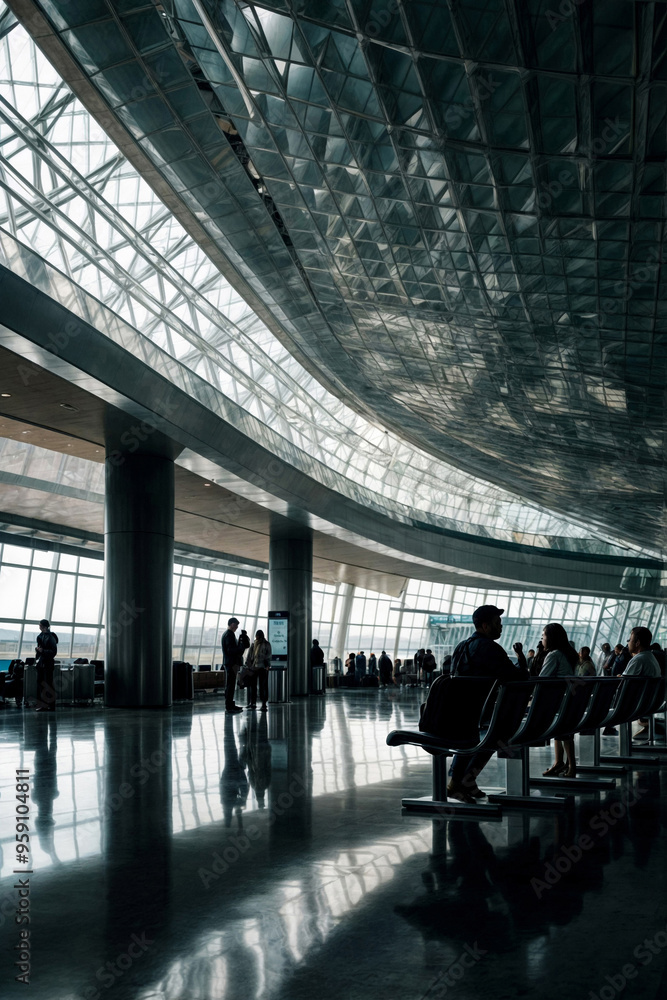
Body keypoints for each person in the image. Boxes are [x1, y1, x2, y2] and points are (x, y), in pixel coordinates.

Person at [447, 605, 528, 802]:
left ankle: (460, 780)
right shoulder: (489, 648)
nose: (501, 627)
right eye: (497, 623)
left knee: (473, 737)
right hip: (481, 713)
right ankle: (464, 780)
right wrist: (521, 659)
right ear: (485, 625)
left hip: (459, 712)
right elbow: (516, 677)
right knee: (497, 737)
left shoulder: (461, 646)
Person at [540, 623, 580, 777]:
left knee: (562, 728)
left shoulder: (554, 655)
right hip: (569, 702)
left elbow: (543, 679)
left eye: (543, 636)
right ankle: (559, 763)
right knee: (563, 728)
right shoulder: (570, 654)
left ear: (550, 638)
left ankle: (570, 766)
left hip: (557, 704)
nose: (542, 639)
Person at [624, 627, 661, 738]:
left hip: (638, 705)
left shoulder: (639, 659)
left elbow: (624, 685)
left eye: (629, 640)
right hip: (652, 702)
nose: (628, 643)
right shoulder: (651, 657)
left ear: (637, 643)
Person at [245, 629, 272, 711]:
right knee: (258, 686)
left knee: (260, 686)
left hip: (261, 667)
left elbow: (268, 656)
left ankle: (260, 703)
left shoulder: (263, 644)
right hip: (257, 668)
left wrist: (267, 665)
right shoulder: (255, 645)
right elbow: (250, 656)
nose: (256, 637)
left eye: (257, 636)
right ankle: (257, 703)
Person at [221, 617, 243, 714]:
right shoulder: (229, 635)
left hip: (229, 662)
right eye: (235, 624)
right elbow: (230, 650)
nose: (237, 627)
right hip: (231, 663)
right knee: (230, 684)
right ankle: (229, 706)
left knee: (230, 684)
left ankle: (230, 704)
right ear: (231, 624)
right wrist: (240, 648)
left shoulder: (228, 634)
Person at [35, 619, 58, 712]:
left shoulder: (50, 637)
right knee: (41, 683)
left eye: (40, 625)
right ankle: (44, 705)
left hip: (47, 663)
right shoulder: (41, 636)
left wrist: (42, 651)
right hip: (42, 663)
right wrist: (38, 650)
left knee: (47, 684)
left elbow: (53, 652)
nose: (39, 627)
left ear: (44, 626)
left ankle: (50, 705)